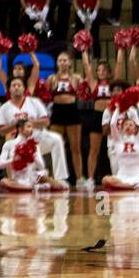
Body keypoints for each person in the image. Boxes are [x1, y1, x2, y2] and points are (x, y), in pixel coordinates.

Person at [0, 76, 66, 181]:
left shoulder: (34, 102)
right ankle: (18, 180)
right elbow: (1, 131)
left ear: (24, 88)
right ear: (9, 89)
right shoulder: (4, 108)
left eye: (19, 85)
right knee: (20, 169)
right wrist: (16, 124)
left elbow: (46, 121)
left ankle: (61, 178)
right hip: (17, 142)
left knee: (57, 139)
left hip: (37, 138)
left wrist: (29, 121)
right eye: (13, 85)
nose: (16, 88)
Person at [80, 46, 125, 193]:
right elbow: (86, 67)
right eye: (99, 70)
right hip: (97, 116)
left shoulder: (114, 84)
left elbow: (119, 65)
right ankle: (91, 179)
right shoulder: (94, 84)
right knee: (94, 150)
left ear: (109, 71)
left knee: (116, 148)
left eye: (105, 69)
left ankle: (121, 176)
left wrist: (120, 48)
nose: (102, 72)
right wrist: (83, 49)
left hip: (113, 117)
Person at [0, 123, 70, 192]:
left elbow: (41, 166)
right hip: (17, 178)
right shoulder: (8, 144)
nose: (31, 129)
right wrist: (14, 159)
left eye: (32, 127)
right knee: (3, 182)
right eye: (28, 127)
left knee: (60, 186)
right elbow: (0, 165)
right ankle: (35, 188)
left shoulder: (34, 145)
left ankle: (32, 188)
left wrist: (33, 156)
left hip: (32, 176)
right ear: (20, 129)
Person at [47, 51, 83, 186]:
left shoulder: (76, 78)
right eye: (60, 60)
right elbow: (45, 95)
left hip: (72, 111)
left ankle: (79, 178)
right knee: (56, 146)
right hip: (57, 112)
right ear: (57, 63)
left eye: (65, 60)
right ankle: (57, 178)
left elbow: (84, 92)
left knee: (75, 147)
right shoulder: (52, 79)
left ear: (69, 63)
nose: (62, 63)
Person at [100, 101, 139, 190]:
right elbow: (112, 124)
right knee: (105, 180)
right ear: (122, 128)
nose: (128, 126)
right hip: (121, 177)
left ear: (135, 129)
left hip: (137, 176)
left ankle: (130, 186)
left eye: (131, 125)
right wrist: (118, 108)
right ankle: (133, 186)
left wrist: (138, 104)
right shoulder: (118, 141)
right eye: (126, 124)